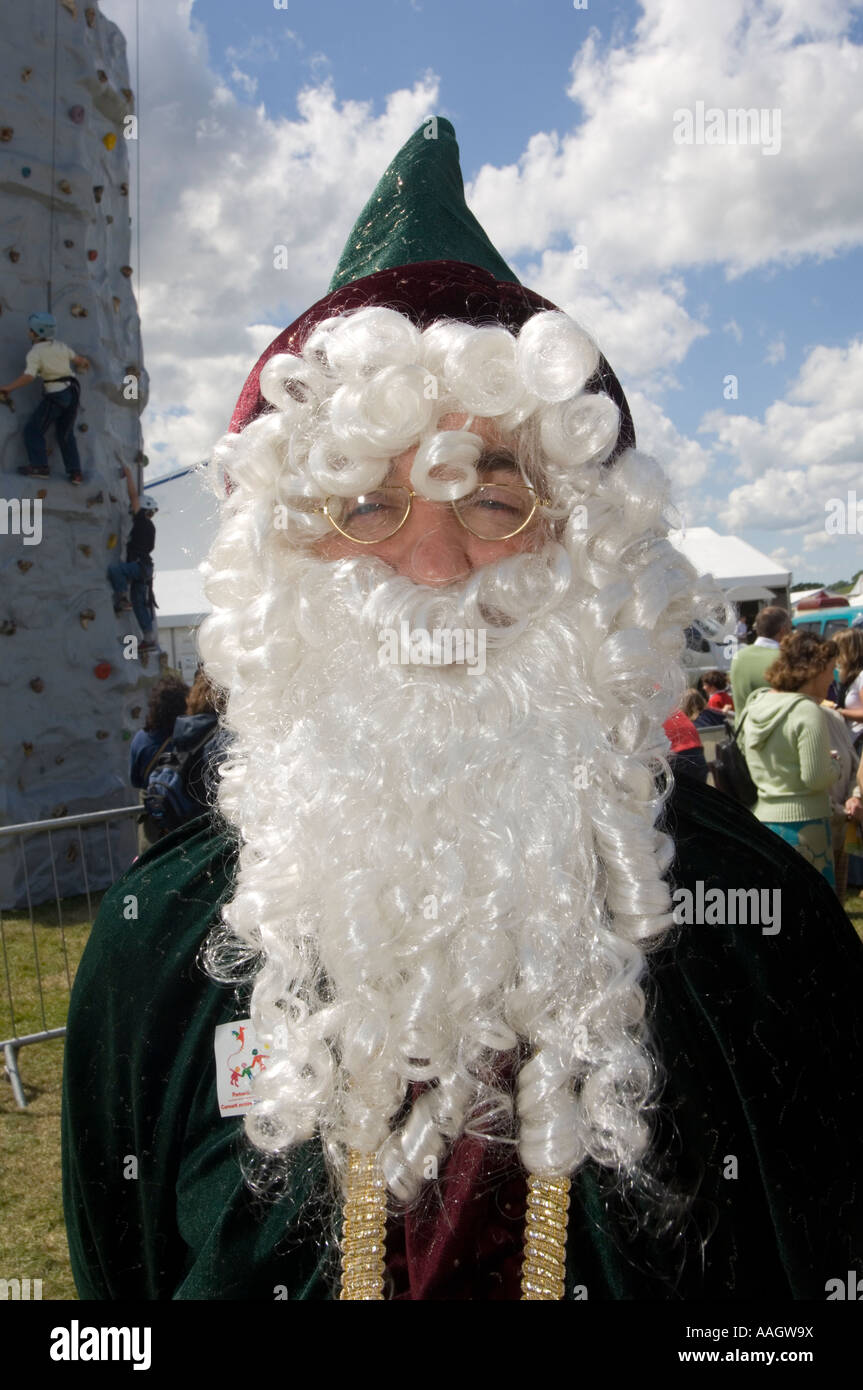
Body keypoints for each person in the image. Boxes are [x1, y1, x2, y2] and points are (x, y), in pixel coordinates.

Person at [62, 118, 862, 1303]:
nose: (433, 567)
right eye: (362, 507)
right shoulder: (153, 952)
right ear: (281, 564)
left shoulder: (764, 940)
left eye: (495, 499)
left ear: (591, 554)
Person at [740, 631, 841, 884]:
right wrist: (834, 765)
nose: (832, 677)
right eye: (831, 669)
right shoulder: (806, 710)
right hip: (808, 826)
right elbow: (816, 778)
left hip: (765, 822)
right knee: (814, 912)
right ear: (815, 670)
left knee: (781, 910)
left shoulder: (756, 704)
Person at [0, 312, 90, 482]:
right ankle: (75, 472)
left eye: (30, 330)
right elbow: (79, 360)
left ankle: (40, 466)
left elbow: (29, 376)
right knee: (65, 433)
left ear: (36, 332)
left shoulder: (35, 352)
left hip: (56, 394)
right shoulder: (61, 346)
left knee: (33, 430)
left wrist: (8, 388)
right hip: (73, 392)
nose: (28, 332)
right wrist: (85, 364)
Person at [129, 674, 190, 853]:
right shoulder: (188, 738)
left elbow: (135, 780)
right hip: (183, 819)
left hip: (152, 823)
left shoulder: (141, 740)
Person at [108, 464, 159, 653]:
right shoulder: (150, 527)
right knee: (139, 604)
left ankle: (121, 598)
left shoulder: (142, 521)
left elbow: (133, 496)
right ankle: (148, 639)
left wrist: (129, 475)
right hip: (145, 568)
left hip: (139, 566)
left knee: (116, 571)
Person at [730, 605, 792, 717]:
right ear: (783, 631)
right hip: (776, 732)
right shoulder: (786, 658)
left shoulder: (738, 657)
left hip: (745, 731)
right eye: (790, 628)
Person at [833, 628, 863, 752]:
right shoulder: (850, 677)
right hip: (852, 742)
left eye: (836, 650)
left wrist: (840, 712)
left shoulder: (861, 676)